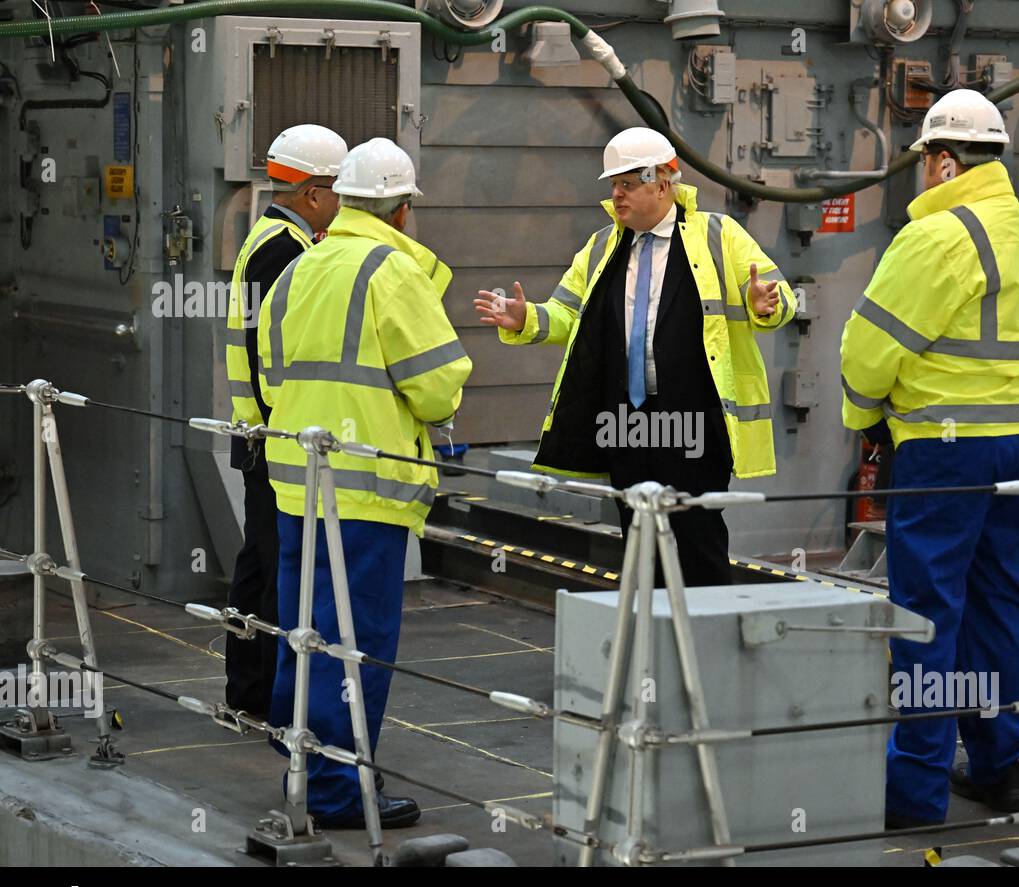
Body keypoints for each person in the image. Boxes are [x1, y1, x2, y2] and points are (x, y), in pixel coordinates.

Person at [838, 89, 1019, 828]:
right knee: (998, 603)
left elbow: (867, 352)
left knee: (926, 615)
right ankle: (1001, 768)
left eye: (923, 161)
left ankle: (914, 794)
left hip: (944, 451)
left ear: (942, 161)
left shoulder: (936, 237)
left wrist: (866, 419)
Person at [256, 137, 473, 829]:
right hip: (366, 487)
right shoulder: (391, 269)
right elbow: (438, 389)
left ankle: (302, 767)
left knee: (304, 633)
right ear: (402, 209)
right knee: (355, 642)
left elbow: (269, 372)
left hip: (297, 484)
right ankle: (339, 794)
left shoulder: (301, 265)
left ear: (342, 198)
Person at [476, 127, 795, 586]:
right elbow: (567, 314)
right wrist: (526, 318)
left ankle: (706, 646)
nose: (616, 195)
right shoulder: (603, 245)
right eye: (613, 186)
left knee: (697, 540)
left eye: (627, 184)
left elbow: (777, 296)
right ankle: (651, 648)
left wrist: (768, 303)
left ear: (662, 183)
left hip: (695, 423)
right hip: (627, 422)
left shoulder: (719, 236)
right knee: (639, 543)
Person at [223, 124, 347, 718]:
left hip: (255, 429)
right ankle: (268, 699)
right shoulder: (289, 252)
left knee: (259, 564)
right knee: (276, 569)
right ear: (316, 194)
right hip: (274, 434)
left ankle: (248, 695)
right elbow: (280, 352)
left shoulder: (263, 238)